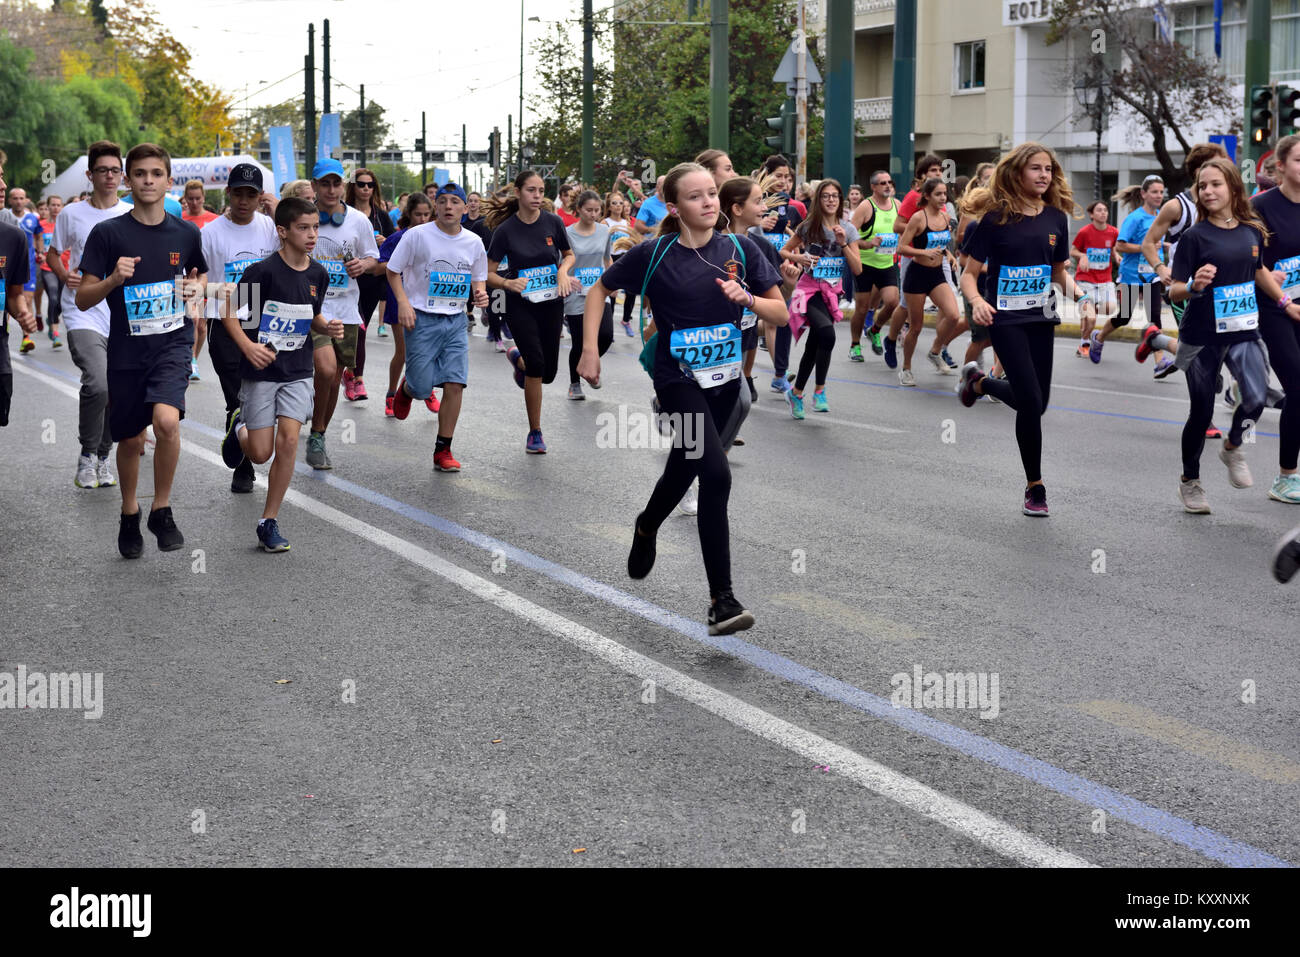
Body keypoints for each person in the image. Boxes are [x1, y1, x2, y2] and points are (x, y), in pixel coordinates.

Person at [576, 161, 787, 635]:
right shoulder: (655, 254)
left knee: (684, 467)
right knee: (714, 472)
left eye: (712, 193)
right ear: (674, 207)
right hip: (678, 383)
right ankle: (722, 601)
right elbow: (599, 291)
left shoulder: (740, 248)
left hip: (726, 385)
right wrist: (590, 350)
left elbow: (781, 310)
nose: (709, 202)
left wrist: (747, 298)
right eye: (695, 197)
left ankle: (647, 524)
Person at [75, 142, 207, 557]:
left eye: (156, 174)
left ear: (169, 181)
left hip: (172, 342)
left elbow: (200, 279)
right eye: (140, 174)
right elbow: (82, 299)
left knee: (167, 423)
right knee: (131, 441)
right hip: (127, 351)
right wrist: (114, 278)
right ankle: (129, 512)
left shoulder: (186, 232)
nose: (148, 181)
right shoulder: (108, 233)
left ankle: (161, 509)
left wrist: (195, 289)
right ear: (128, 181)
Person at [955, 142, 1094, 516]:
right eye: (1036, 168)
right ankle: (1035, 487)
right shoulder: (995, 219)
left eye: (1048, 169)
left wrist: (1083, 297)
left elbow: (1058, 273)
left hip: (1041, 316)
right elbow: (968, 274)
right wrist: (979, 302)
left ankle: (979, 383)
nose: (1044, 175)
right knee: (1029, 401)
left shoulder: (1055, 219)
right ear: (1018, 172)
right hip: (1004, 318)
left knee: (1039, 402)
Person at [1166, 157, 1298, 513]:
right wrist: (1193, 284)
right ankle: (1190, 481)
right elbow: (1174, 290)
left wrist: (1284, 302)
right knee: (1201, 409)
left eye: (1215, 184)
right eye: (1202, 186)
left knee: (1257, 399)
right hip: (1202, 335)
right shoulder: (1194, 237)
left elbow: (1259, 272)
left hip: (1244, 330)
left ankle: (1232, 447)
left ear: (1233, 188)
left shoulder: (1252, 231)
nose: (1208, 191)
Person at [219, 197, 337, 551]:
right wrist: (247, 346)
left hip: (298, 370)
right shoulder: (263, 272)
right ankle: (239, 426)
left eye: (316, 227)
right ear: (282, 231)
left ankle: (268, 521)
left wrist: (326, 327)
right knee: (259, 454)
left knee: (288, 441)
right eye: (304, 228)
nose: (312, 234)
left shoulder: (319, 273)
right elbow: (228, 310)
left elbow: (309, 313)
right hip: (262, 371)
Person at [47, 140, 133, 490]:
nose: (109, 176)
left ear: (122, 175)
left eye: (115, 170)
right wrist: (62, 272)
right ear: (90, 174)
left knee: (117, 388)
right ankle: (86, 454)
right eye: (102, 170)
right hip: (82, 309)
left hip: (121, 313)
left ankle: (103, 455)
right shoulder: (72, 214)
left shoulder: (129, 215)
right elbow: (54, 254)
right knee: (97, 382)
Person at [385, 183, 489, 473]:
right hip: (421, 318)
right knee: (421, 387)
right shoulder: (417, 236)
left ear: (465, 209)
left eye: (455, 202)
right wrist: (403, 303)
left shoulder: (473, 242)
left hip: (455, 320)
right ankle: (406, 388)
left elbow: (478, 276)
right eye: (442, 201)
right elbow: (393, 271)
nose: (448, 206)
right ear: (435, 207)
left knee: (455, 384)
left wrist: (479, 293)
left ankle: (443, 449)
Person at [200, 162, 280, 493]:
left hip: (264, 322)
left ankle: (244, 442)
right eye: (238, 193)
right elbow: (187, 286)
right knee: (238, 397)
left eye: (251, 194)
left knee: (259, 392)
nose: (244, 201)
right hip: (225, 322)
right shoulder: (209, 233)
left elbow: (300, 262)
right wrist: (220, 291)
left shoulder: (273, 228)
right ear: (228, 193)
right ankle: (244, 467)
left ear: (260, 196)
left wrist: (280, 213)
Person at [485, 169, 575, 454]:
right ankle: (535, 432)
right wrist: (508, 282)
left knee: (547, 373)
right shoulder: (505, 231)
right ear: (518, 193)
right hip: (519, 305)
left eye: (541, 190)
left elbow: (569, 254)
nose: (538, 195)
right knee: (538, 366)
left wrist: (563, 271)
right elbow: (488, 273)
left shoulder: (553, 222)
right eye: (531, 190)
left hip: (551, 302)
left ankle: (518, 360)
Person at [304, 159, 383, 470]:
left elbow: (375, 261)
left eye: (337, 183)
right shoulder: (303, 216)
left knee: (334, 376)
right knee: (324, 371)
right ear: (314, 186)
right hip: (309, 309)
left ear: (343, 187)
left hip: (346, 310)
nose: (331, 189)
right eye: (325, 183)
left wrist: (364, 265)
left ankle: (318, 435)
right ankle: (301, 413)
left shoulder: (358, 222)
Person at [779, 179, 864, 415]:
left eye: (835, 196)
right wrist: (801, 259)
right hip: (808, 290)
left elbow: (857, 269)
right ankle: (819, 391)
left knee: (815, 343)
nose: (830, 200)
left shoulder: (847, 229)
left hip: (831, 291)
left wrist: (843, 244)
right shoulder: (808, 227)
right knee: (827, 333)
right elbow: (784, 250)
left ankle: (795, 393)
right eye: (825, 196)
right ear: (819, 200)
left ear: (840, 200)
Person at [1251, 133, 1300, 504]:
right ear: (1280, 166)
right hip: (1274, 307)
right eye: (1299, 160)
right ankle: (1286, 477)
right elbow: (1253, 263)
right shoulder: (1262, 206)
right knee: (1298, 386)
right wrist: (1284, 299)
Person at [1090, 175, 1167, 365]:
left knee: (1155, 319)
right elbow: (1120, 246)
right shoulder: (1135, 218)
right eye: (1154, 192)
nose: (1159, 196)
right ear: (1144, 194)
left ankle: (1159, 362)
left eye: (1161, 192)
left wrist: (1165, 249)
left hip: (1152, 276)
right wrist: (1145, 247)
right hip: (1132, 275)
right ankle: (1098, 338)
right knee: (1124, 317)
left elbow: (1158, 244)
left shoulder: (1162, 216)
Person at [898, 177, 961, 385]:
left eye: (945, 194)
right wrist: (923, 251)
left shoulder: (944, 218)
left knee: (953, 315)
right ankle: (906, 368)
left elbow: (941, 244)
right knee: (916, 327)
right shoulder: (918, 218)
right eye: (938, 194)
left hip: (937, 275)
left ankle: (935, 351)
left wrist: (949, 255)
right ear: (926, 196)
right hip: (917, 274)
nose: (943, 198)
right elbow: (901, 248)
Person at [341, 168, 396, 400]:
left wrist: (383, 242)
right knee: (359, 329)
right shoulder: (343, 214)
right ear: (353, 187)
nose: (365, 188)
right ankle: (357, 379)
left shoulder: (381, 216)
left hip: (372, 278)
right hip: (347, 278)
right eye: (361, 184)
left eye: (370, 185)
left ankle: (350, 373)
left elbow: (395, 247)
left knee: (359, 327)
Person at [378, 192, 435, 417]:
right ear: (408, 215)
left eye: (426, 214)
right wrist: (397, 263)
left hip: (426, 301)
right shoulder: (398, 238)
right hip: (399, 299)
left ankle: (426, 388)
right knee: (403, 351)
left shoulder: (436, 237)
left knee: (428, 352)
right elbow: (380, 266)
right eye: (417, 215)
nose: (422, 219)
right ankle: (392, 393)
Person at [563, 190, 613, 400]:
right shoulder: (567, 233)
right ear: (579, 210)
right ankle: (575, 384)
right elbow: (561, 263)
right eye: (589, 210)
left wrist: (613, 280)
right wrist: (564, 277)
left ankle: (590, 365)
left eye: (597, 210)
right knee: (579, 342)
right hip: (576, 293)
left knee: (605, 336)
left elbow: (607, 259)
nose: (593, 214)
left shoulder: (604, 231)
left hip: (600, 291)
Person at [0, 154, 38, 428]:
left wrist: (22, 313)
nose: (2, 186)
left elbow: (14, 294)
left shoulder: (13, 238)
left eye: (2, 176)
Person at [849, 170, 900, 360]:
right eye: (882, 183)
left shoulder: (897, 205)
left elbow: (905, 227)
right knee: (862, 309)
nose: (887, 186)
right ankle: (855, 344)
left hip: (887, 263)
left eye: (889, 182)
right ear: (873, 187)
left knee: (893, 302)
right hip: (865, 264)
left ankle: (875, 329)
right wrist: (868, 243)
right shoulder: (866, 206)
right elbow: (850, 235)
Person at [1069, 199, 1118, 357]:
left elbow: (1114, 249)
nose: (1103, 212)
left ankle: (1088, 314)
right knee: (1091, 319)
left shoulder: (1113, 232)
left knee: (1111, 308)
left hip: (1105, 281)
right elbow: (1073, 251)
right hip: (1086, 281)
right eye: (1099, 210)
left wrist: (1117, 257)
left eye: (1105, 210)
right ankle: (1084, 344)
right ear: (1091, 214)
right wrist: (1082, 255)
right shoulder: (1084, 232)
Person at [37, 194, 63, 348]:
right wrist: (38, 252)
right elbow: (35, 241)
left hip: (64, 268)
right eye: (52, 205)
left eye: (58, 205)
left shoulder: (66, 224)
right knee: (53, 297)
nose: (55, 208)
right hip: (47, 267)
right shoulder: (41, 225)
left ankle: (51, 317)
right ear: (48, 207)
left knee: (61, 302)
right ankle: (55, 332)